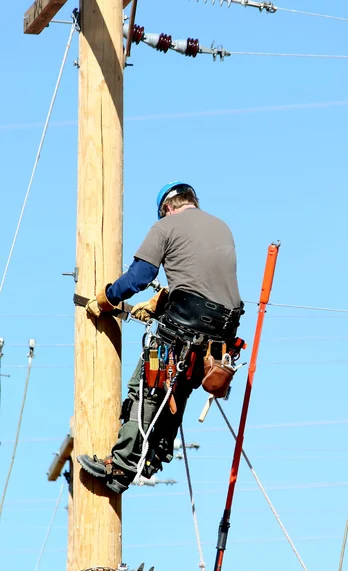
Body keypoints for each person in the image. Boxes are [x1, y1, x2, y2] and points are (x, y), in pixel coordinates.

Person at [77, 182, 243, 494]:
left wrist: (106, 299)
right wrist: (163, 302)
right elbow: (204, 280)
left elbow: (140, 277)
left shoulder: (165, 226)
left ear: (166, 208)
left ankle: (122, 463)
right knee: (175, 392)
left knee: (148, 390)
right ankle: (153, 457)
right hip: (219, 339)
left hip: (182, 330)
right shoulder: (222, 227)